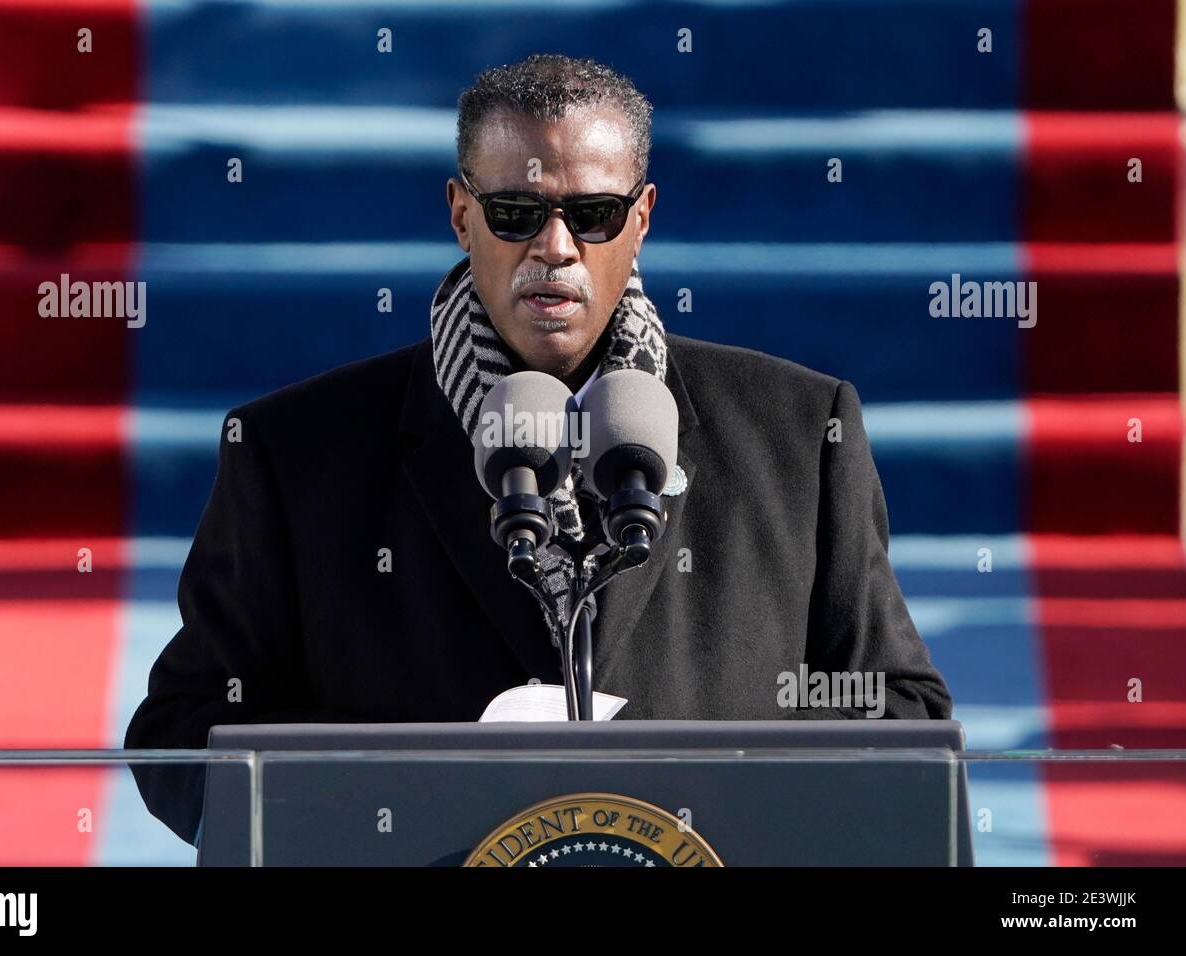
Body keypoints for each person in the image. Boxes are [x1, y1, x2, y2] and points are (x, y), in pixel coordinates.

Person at [126, 53, 952, 846]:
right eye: (516, 215)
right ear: (460, 214)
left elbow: (901, 712)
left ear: (642, 218)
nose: (554, 247)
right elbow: (183, 736)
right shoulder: (295, 453)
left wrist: (703, 787)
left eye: (592, 215)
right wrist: (421, 789)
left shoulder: (802, 432)